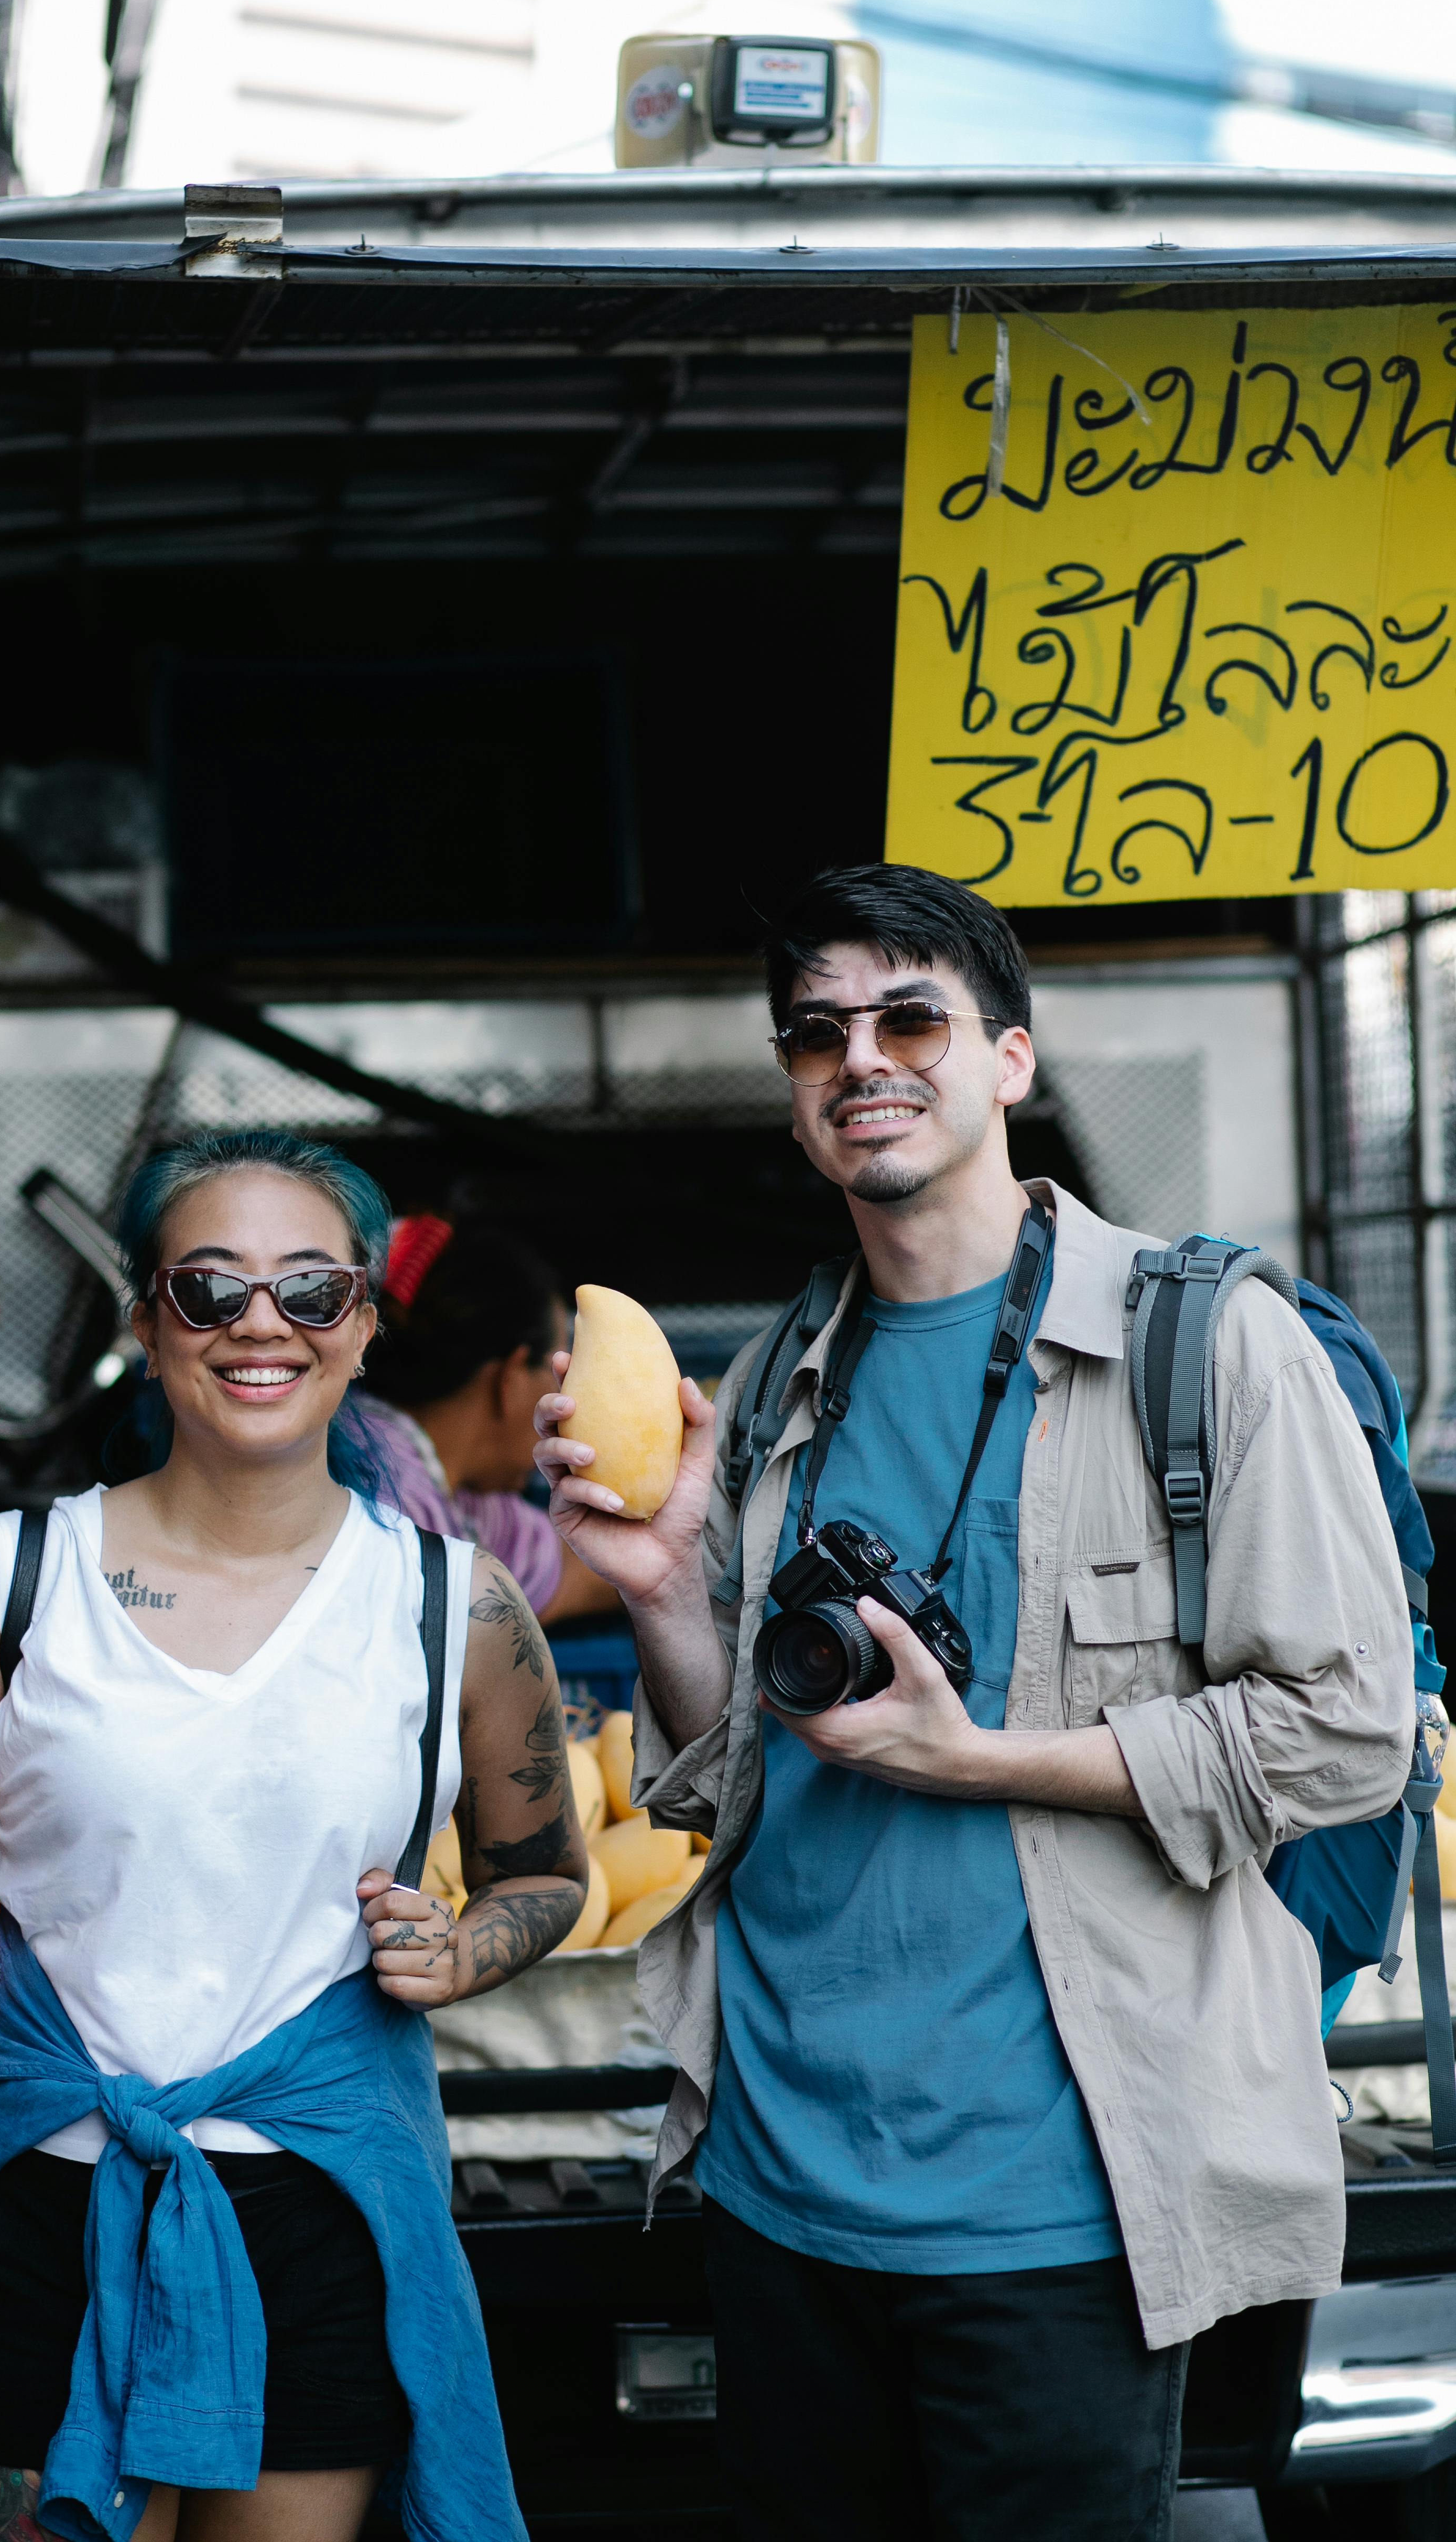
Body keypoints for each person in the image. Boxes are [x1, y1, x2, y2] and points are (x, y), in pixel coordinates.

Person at [535, 863, 1415, 2542]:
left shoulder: (1210, 1344)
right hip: (783, 2181)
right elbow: (738, 1769)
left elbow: (1349, 1729)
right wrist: (656, 1590)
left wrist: (979, 1758)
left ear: (1008, 1057)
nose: (860, 1057)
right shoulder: (782, 1370)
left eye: (909, 1017)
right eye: (817, 1034)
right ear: (795, 1097)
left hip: (1056, 2200)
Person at [0, 1126, 585, 2542]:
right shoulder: (11, 1575)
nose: (261, 1325)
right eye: (209, 1289)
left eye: (310, 1291)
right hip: (40, 2203)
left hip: (318, 2221)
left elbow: (544, 1872)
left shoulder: (456, 1607)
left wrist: (467, 1944)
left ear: (364, 1323)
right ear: (146, 1320)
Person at [364, 1212, 618, 1624]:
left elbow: (591, 1569)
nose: (569, 1394)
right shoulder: (386, 1496)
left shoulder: (456, 1491)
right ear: (512, 1377)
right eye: (558, 1367)